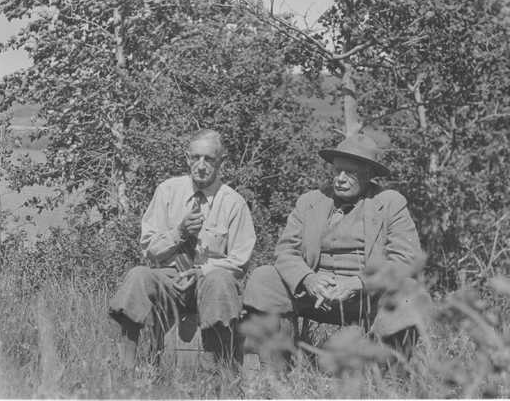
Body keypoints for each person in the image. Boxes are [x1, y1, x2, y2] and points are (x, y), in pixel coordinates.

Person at [242, 132, 430, 367]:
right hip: (313, 294)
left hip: (365, 297)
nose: (340, 179)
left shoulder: (391, 203)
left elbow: (406, 259)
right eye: (337, 171)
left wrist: (357, 284)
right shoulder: (310, 201)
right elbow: (286, 251)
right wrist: (308, 279)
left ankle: (385, 376)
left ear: (369, 174)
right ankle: (276, 371)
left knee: (410, 294)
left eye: (350, 173)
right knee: (264, 278)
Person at [109, 129, 256, 372]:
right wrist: (179, 233)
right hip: (169, 279)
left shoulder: (233, 203)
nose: (200, 166)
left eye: (208, 159)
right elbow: (149, 248)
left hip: (209, 282)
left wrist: (201, 272)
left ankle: (216, 374)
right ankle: (126, 369)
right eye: (195, 158)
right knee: (138, 275)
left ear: (222, 162)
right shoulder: (168, 191)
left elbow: (240, 262)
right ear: (187, 158)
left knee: (219, 280)